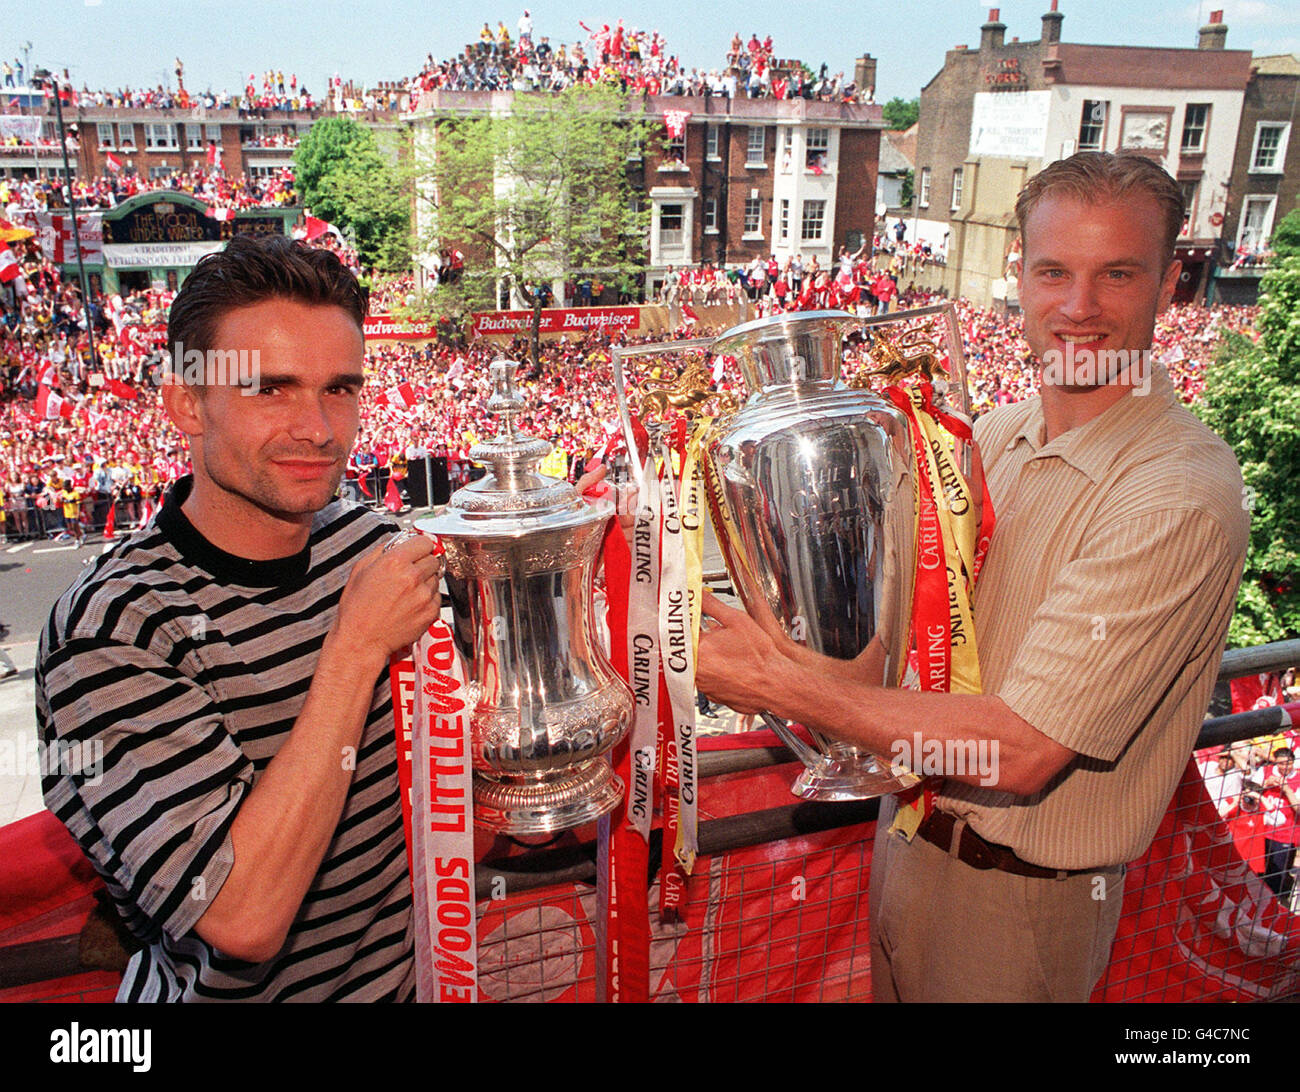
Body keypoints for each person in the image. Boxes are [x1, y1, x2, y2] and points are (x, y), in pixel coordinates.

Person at [695, 152, 1250, 1002]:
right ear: (1015, 274)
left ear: (1172, 283)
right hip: (908, 837)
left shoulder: (1177, 494)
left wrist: (778, 683)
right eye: (1055, 271)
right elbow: (895, 664)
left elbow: (1022, 753)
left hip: (1019, 908)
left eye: (1119, 275)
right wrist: (716, 626)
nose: (1079, 308)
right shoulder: (985, 438)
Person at [36, 235, 443, 1001]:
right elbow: (240, 913)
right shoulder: (112, 628)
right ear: (187, 401)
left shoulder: (369, 543)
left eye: (340, 388)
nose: (318, 429)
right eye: (271, 389)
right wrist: (355, 649)